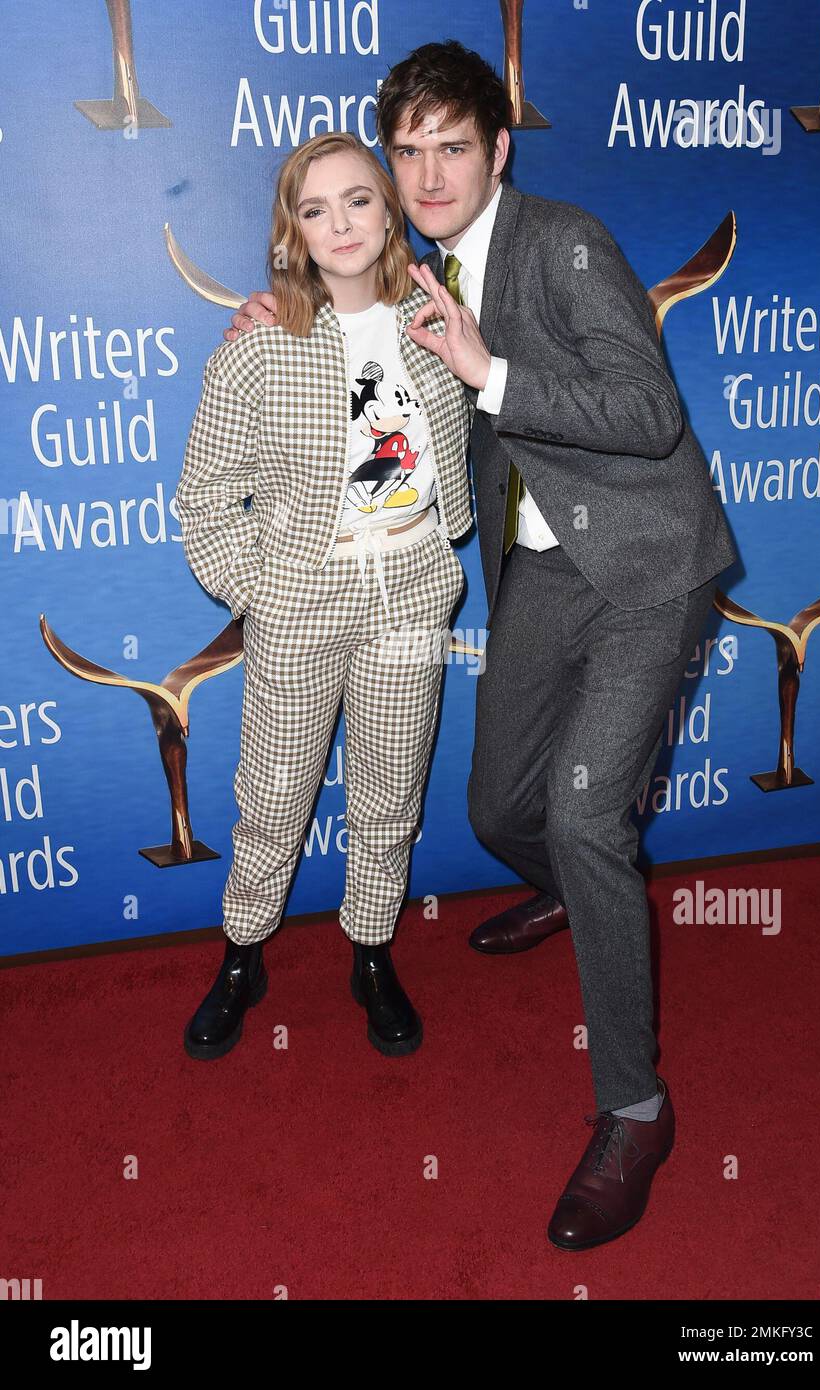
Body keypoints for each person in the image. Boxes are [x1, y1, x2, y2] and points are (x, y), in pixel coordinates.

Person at [222, 41, 739, 1251]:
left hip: (647, 566)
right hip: (543, 569)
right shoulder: (401, 273)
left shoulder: (561, 241)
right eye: (406, 151)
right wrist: (269, 309)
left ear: (497, 149)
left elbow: (647, 412)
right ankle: (574, 887)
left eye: (452, 145)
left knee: (579, 813)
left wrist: (488, 367)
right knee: (502, 807)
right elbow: (330, 325)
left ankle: (635, 1107)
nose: (427, 171)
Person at [175, 130, 472, 1064]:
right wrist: (263, 593)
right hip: (302, 603)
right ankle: (241, 954)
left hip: (415, 593)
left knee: (391, 791)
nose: (339, 223)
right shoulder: (259, 347)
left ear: (390, 211)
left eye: (357, 200)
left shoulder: (438, 323)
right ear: (291, 235)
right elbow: (204, 498)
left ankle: (372, 953)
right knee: (274, 791)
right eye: (315, 209)